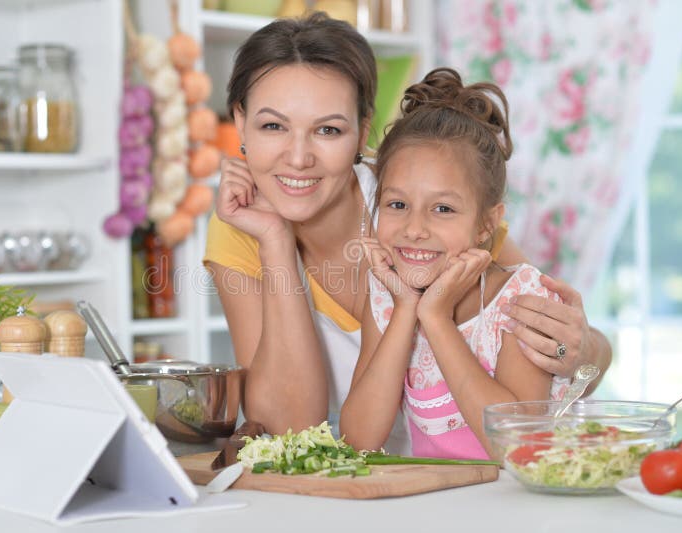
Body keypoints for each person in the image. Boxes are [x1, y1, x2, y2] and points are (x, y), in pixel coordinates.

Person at [204, 13, 611, 440]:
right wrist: (274, 242)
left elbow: (563, 351)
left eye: (328, 129)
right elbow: (289, 427)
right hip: (366, 478)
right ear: (240, 123)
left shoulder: (422, 194)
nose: (299, 157)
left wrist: (583, 351)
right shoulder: (241, 223)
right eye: (273, 126)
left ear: (362, 134)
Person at [340, 68, 567, 458]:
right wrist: (407, 310)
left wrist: (437, 319)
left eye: (443, 209)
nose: (414, 229)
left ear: (486, 224)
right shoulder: (385, 296)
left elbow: (518, 449)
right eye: (397, 205)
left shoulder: (520, 302)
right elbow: (359, 439)